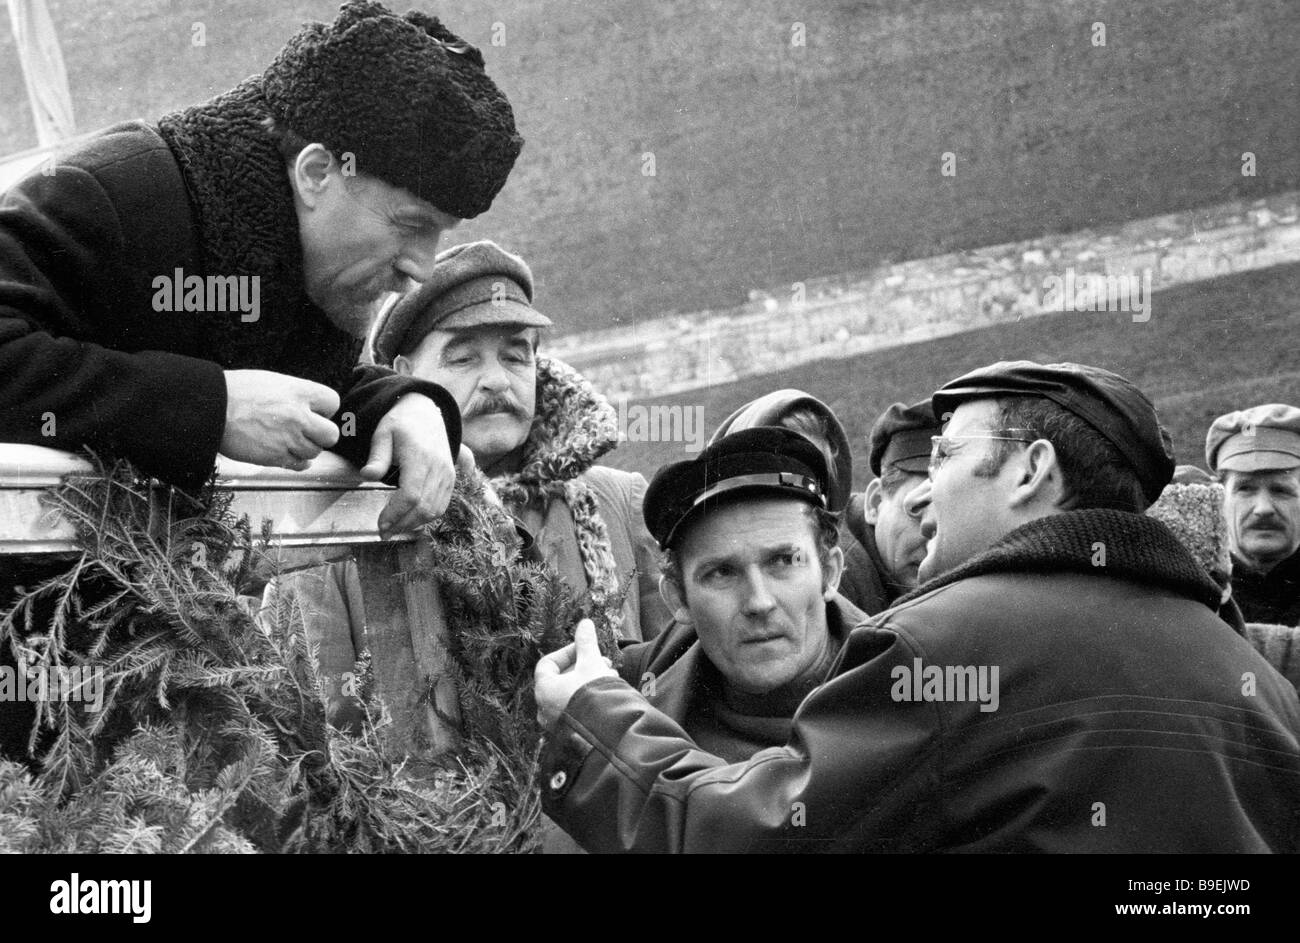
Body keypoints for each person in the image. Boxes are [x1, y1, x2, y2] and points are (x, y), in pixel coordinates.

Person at [533, 360, 1300, 853]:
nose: (927, 489)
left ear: (1031, 470)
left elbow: (747, 838)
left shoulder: (947, 642)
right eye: (721, 572)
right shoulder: (1249, 676)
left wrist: (593, 720)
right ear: (675, 590)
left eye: (946, 455)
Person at [0, 1, 524, 537]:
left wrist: (402, 405)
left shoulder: (272, 245)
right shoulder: (109, 195)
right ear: (316, 172)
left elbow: (300, 387)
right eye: (410, 224)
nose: (421, 266)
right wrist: (215, 407)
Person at [372, 240, 670, 641]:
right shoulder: (359, 516)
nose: (496, 380)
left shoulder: (620, 502)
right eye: (463, 359)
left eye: (515, 357)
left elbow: (672, 678)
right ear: (405, 375)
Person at [618, 425, 867, 761]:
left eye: (782, 561)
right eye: (722, 572)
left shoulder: (913, 699)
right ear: (678, 598)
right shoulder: (632, 705)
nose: (759, 602)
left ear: (831, 572)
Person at [840, 399, 938, 612]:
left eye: (952, 514)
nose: (934, 541)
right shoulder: (840, 578)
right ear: (875, 503)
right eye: (918, 508)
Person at [1206, 404, 1300, 626]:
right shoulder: (1194, 595)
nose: (1263, 508)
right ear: (1219, 498)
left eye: (1281, 489)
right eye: (1245, 489)